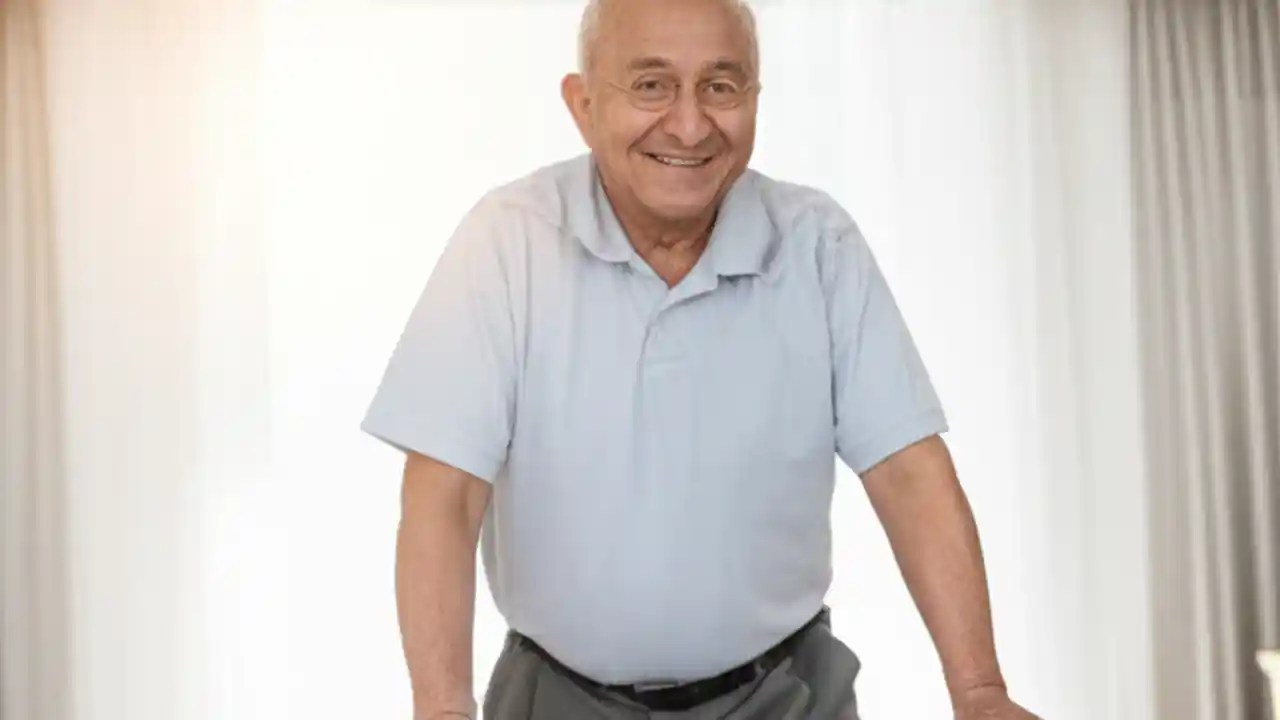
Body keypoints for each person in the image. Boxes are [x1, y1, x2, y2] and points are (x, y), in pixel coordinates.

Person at [361, 0, 1041, 718]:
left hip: (785, 694)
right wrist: (440, 708)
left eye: (721, 86)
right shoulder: (507, 243)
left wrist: (979, 691)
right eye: (652, 85)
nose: (689, 125)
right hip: (555, 696)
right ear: (583, 103)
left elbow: (910, 475)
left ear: (755, 99)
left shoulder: (818, 244)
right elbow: (444, 496)